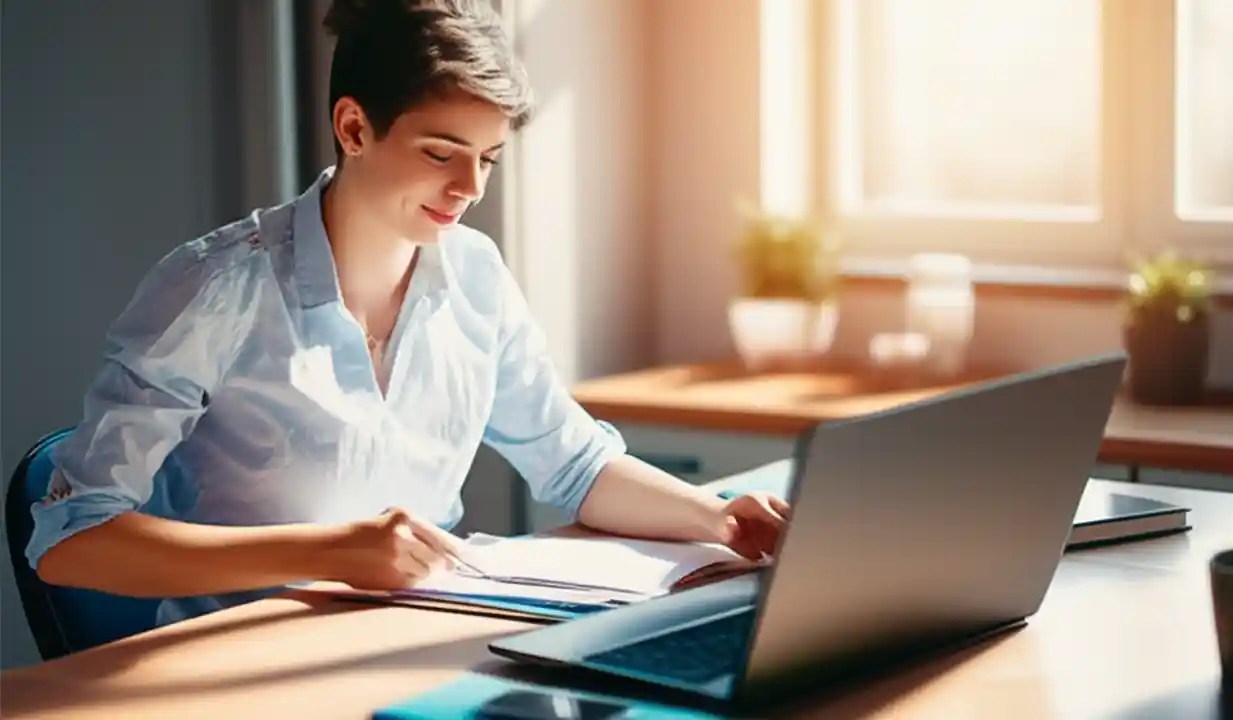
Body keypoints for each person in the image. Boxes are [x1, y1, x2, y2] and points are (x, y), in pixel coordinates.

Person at [28, 0, 789, 628]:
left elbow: (573, 463)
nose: (470, 188)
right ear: (354, 128)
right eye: (440, 152)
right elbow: (73, 540)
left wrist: (719, 520)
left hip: (412, 633)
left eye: (487, 158)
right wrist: (327, 552)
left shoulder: (476, 276)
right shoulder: (215, 288)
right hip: (244, 658)